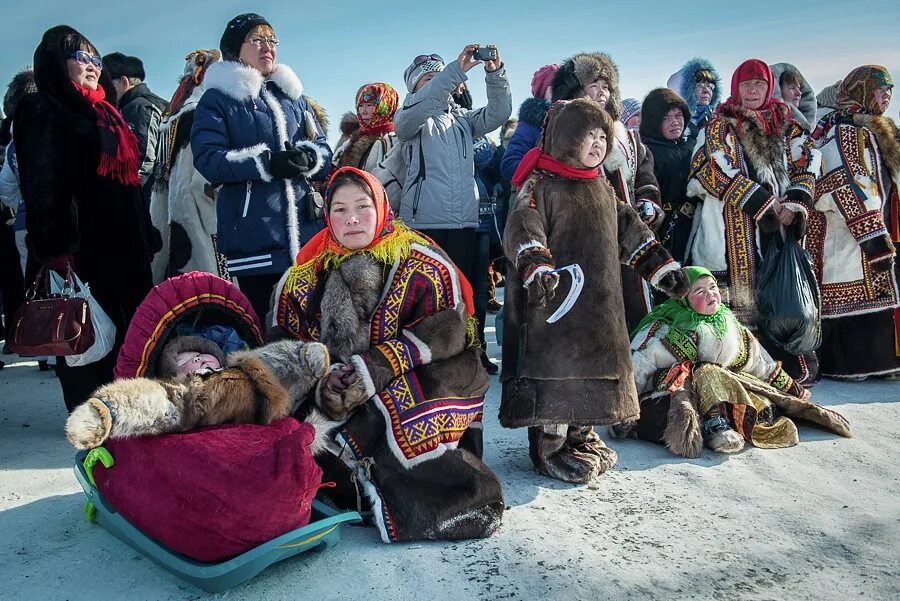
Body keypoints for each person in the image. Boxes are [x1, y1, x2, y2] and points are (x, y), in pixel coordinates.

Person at [272, 166, 503, 543]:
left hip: (413, 376)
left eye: (362, 207)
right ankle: (349, 485)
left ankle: (441, 495)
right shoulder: (303, 277)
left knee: (410, 405)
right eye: (340, 210)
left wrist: (375, 369)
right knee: (293, 422)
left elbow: (449, 333)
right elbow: (284, 339)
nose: (352, 219)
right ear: (327, 216)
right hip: (336, 393)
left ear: (381, 207)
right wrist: (322, 380)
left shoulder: (424, 264)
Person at [501, 98, 688, 484]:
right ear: (567, 138)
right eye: (589, 136)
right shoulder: (540, 185)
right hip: (554, 306)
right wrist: (536, 265)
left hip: (599, 306)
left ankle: (581, 436)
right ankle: (549, 447)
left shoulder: (602, 186)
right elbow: (523, 228)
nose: (598, 144)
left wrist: (661, 268)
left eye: (604, 137)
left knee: (595, 372)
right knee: (558, 374)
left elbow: (631, 230)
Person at [14, 25, 155, 410]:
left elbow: (127, 183)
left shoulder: (106, 112)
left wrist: (147, 232)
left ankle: (126, 417)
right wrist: (55, 249)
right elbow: (42, 185)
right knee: (84, 344)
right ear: (57, 64)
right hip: (82, 252)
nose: (93, 66)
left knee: (128, 342)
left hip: (124, 251)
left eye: (96, 59)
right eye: (81, 57)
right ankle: (93, 426)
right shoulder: (43, 108)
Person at [685, 59, 821, 384]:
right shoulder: (719, 125)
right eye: (746, 85)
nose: (752, 91)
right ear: (736, 89)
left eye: (759, 84)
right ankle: (737, 366)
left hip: (778, 231)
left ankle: (783, 365)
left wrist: (796, 201)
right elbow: (707, 171)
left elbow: (809, 160)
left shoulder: (788, 125)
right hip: (727, 229)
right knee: (736, 300)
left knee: (778, 294)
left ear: (768, 87)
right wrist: (761, 201)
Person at [191, 13, 332, 321]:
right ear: (234, 49)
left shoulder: (294, 98)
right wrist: (266, 163)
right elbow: (208, 158)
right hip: (255, 236)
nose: (267, 47)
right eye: (256, 40)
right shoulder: (218, 99)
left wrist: (310, 158)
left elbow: (322, 145)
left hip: (307, 232)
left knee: (311, 323)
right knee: (267, 327)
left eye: (271, 40)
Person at [627, 267, 851, 456]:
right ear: (683, 298)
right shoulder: (665, 328)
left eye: (713, 287)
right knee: (704, 373)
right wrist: (625, 407)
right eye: (700, 291)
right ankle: (715, 428)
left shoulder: (729, 324)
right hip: (676, 391)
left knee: (752, 394)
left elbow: (759, 362)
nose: (710, 295)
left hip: (722, 390)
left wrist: (793, 390)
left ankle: (726, 422)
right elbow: (640, 365)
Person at [552, 52, 665, 331]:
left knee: (636, 301)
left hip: (631, 233)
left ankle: (641, 364)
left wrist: (647, 201)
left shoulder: (626, 135)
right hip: (591, 235)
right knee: (599, 309)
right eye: (594, 86)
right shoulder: (564, 132)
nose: (601, 93)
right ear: (577, 90)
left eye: (606, 87)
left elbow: (644, 171)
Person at [391, 45, 511, 293]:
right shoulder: (408, 118)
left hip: (463, 223)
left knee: (461, 296)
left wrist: (494, 72)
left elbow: (499, 113)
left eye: (440, 77)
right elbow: (420, 108)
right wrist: (453, 72)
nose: (438, 83)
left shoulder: (463, 120)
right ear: (414, 87)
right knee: (427, 296)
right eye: (429, 79)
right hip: (423, 223)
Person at [808, 65, 899, 380]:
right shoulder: (843, 129)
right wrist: (871, 233)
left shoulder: (878, 129)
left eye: (889, 90)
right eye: (879, 89)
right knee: (854, 288)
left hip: (877, 226)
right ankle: (850, 366)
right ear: (860, 90)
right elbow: (844, 182)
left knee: (877, 293)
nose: (886, 96)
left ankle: (879, 363)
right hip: (845, 232)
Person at [149, 49, 224, 283]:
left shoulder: (170, 119)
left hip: (174, 219)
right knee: (215, 287)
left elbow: (158, 190)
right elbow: (204, 184)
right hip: (204, 222)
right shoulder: (205, 114)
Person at [103, 52, 167, 205]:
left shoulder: (137, 107)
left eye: (107, 85)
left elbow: (142, 161)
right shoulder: (154, 103)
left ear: (124, 82)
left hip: (149, 199)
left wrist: (127, 201)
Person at [640, 87, 695, 264]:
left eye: (678, 116)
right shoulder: (647, 153)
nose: (675, 122)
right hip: (664, 229)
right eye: (666, 118)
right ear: (653, 121)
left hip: (694, 224)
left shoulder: (691, 146)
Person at [333, 82, 399, 171]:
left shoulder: (395, 141)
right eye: (360, 106)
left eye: (369, 105)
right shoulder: (350, 142)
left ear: (385, 107)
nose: (363, 111)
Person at [667, 58, 722, 139]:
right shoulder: (669, 126)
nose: (706, 91)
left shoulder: (718, 121)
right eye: (699, 86)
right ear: (681, 92)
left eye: (710, 87)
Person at [770, 62, 817, 132]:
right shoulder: (770, 126)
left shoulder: (811, 131)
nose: (799, 93)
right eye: (792, 88)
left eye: (799, 88)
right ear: (778, 90)